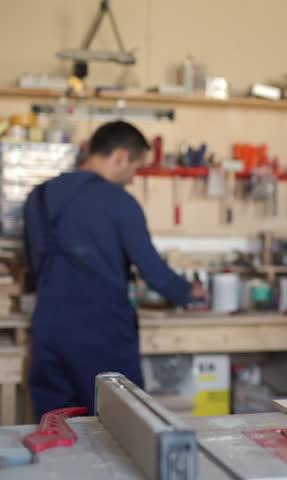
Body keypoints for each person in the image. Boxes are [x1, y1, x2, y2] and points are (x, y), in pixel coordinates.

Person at [24, 121, 207, 418]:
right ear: (121, 157)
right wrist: (189, 291)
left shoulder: (39, 196)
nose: (133, 179)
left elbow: (34, 266)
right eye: (135, 168)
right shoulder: (121, 202)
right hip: (103, 336)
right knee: (120, 429)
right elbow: (152, 271)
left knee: (55, 430)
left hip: (50, 332)